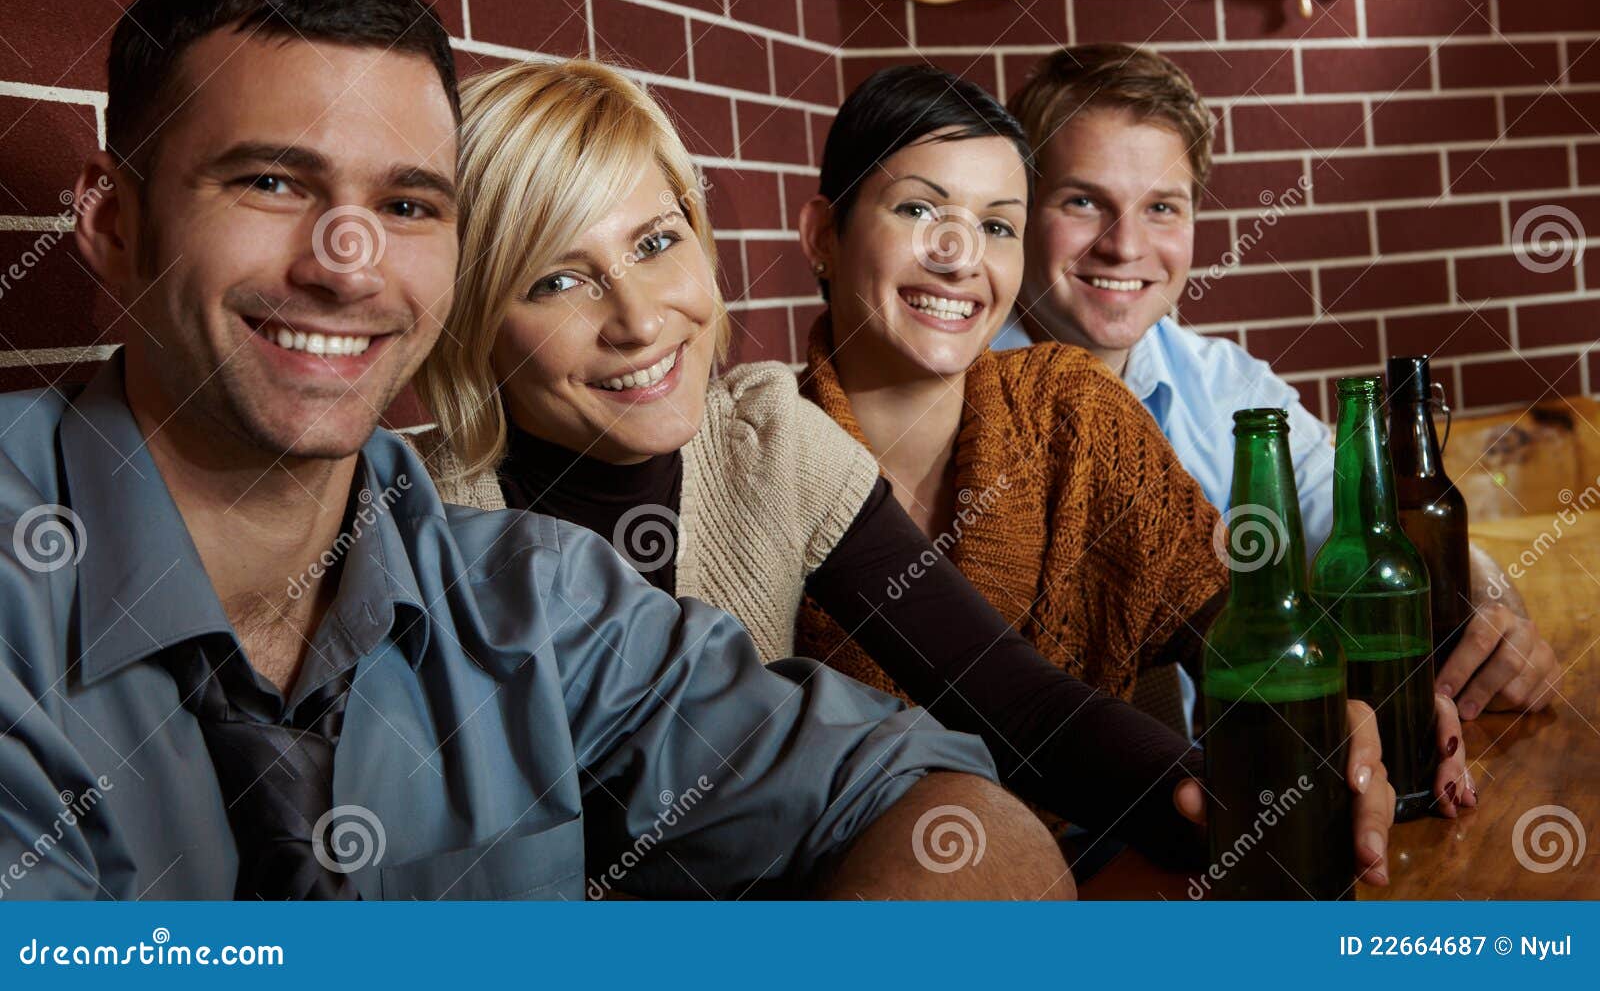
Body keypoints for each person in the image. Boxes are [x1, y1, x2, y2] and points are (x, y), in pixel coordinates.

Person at [0, 0, 1071, 901]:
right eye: (272, 181)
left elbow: (945, 813)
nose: (346, 262)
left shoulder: (535, 597)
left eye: (409, 204)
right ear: (113, 223)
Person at [409, 56, 1303, 871]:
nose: (638, 319)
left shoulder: (770, 440)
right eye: (558, 280)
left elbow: (1013, 701)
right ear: (474, 312)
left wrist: (1229, 799)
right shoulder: (418, 526)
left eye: (654, 243)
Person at [792, 65, 1475, 873]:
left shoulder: (1080, 401)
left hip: (1132, 850)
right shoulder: (765, 458)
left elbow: (1235, 609)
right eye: (918, 209)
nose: (958, 255)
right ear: (822, 235)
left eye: (996, 224)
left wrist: (1338, 715)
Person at [1002, 44, 1561, 723]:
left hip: (1224, 795)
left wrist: (1490, 606)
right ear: (1020, 207)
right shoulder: (950, 401)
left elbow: (1368, 525)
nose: (1124, 245)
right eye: (1084, 200)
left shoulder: (1231, 390)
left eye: (1162, 208)